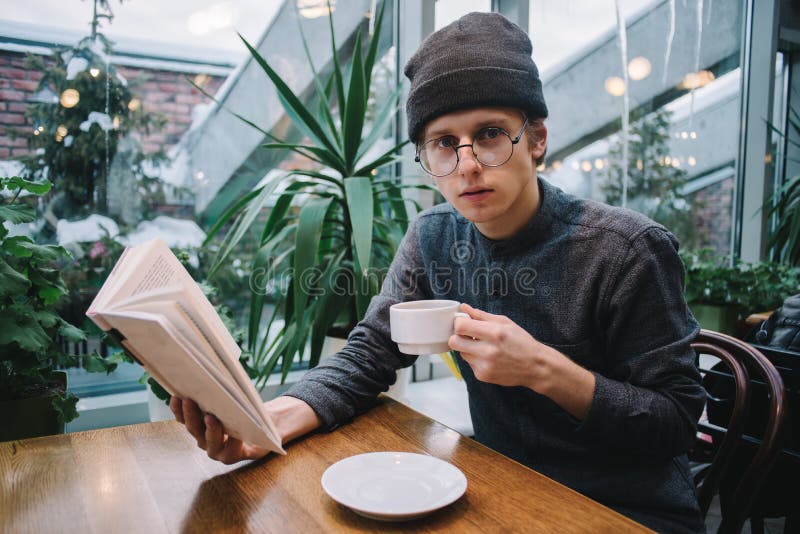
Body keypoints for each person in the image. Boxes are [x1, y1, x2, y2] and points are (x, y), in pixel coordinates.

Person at [171, 12, 706, 533]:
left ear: (537, 139)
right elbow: (369, 353)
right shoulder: (434, 237)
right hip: (501, 490)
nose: (467, 164)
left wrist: (544, 368)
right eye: (444, 143)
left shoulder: (627, 250)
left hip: (626, 509)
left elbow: (677, 424)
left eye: (491, 134)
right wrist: (271, 424)